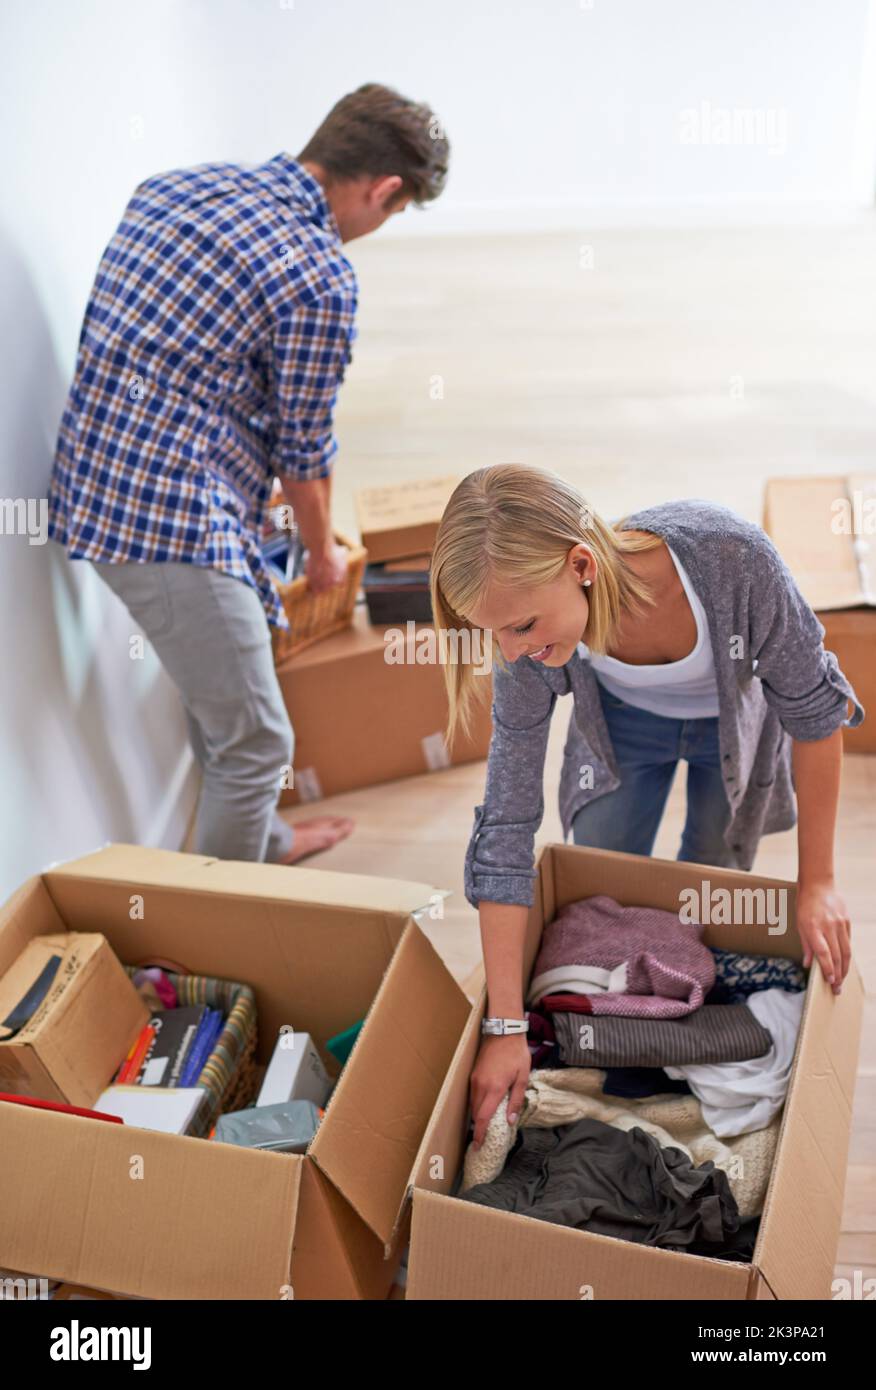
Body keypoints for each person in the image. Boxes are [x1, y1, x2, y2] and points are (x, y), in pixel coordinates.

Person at [46, 83, 449, 865]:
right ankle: (228, 939)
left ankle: (261, 841)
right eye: (393, 213)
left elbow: (172, 348)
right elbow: (304, 444)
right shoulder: (319, 275)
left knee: (229, 696)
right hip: (163, 520)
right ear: (384, 190)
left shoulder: (175, 186)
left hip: (90, 479)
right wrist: (325, 554)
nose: (379, 227)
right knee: (260, 742)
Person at [429, 464, 864, 1147]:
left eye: (520, 627)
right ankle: (639, 1018)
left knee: (713, 874)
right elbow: (508, 827)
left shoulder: (732, 559)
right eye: (495, 637)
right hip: (621, 727)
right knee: (600, 884)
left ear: (581, 564)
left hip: (731, 723)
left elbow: (815, 714)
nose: (511, 653)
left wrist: (819, 884)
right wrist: (506, 1028)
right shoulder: (527, 645)